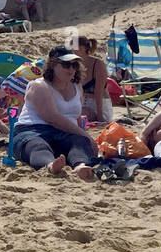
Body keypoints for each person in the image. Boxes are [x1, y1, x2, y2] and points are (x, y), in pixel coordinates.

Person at [12, 47, 97, 179]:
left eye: (74, 65)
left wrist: (85, 138)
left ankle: (80, 166)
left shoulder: (76, 86)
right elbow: (52, 118)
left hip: (63, 133)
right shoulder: (39, 86)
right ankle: (50, 165)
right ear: (52, 65)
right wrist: (86, 136)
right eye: (66, 65)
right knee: (37, 145)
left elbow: (76, 116)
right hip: (34, 129)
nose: (71, 69)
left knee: (79, 142)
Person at [75, 35, 111, 125]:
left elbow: (99, 92)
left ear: (81, 48)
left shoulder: (98, 64)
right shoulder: (74, 64)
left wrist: (100, 115)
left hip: (99, 105)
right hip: (81, 103)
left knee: (77, 115)